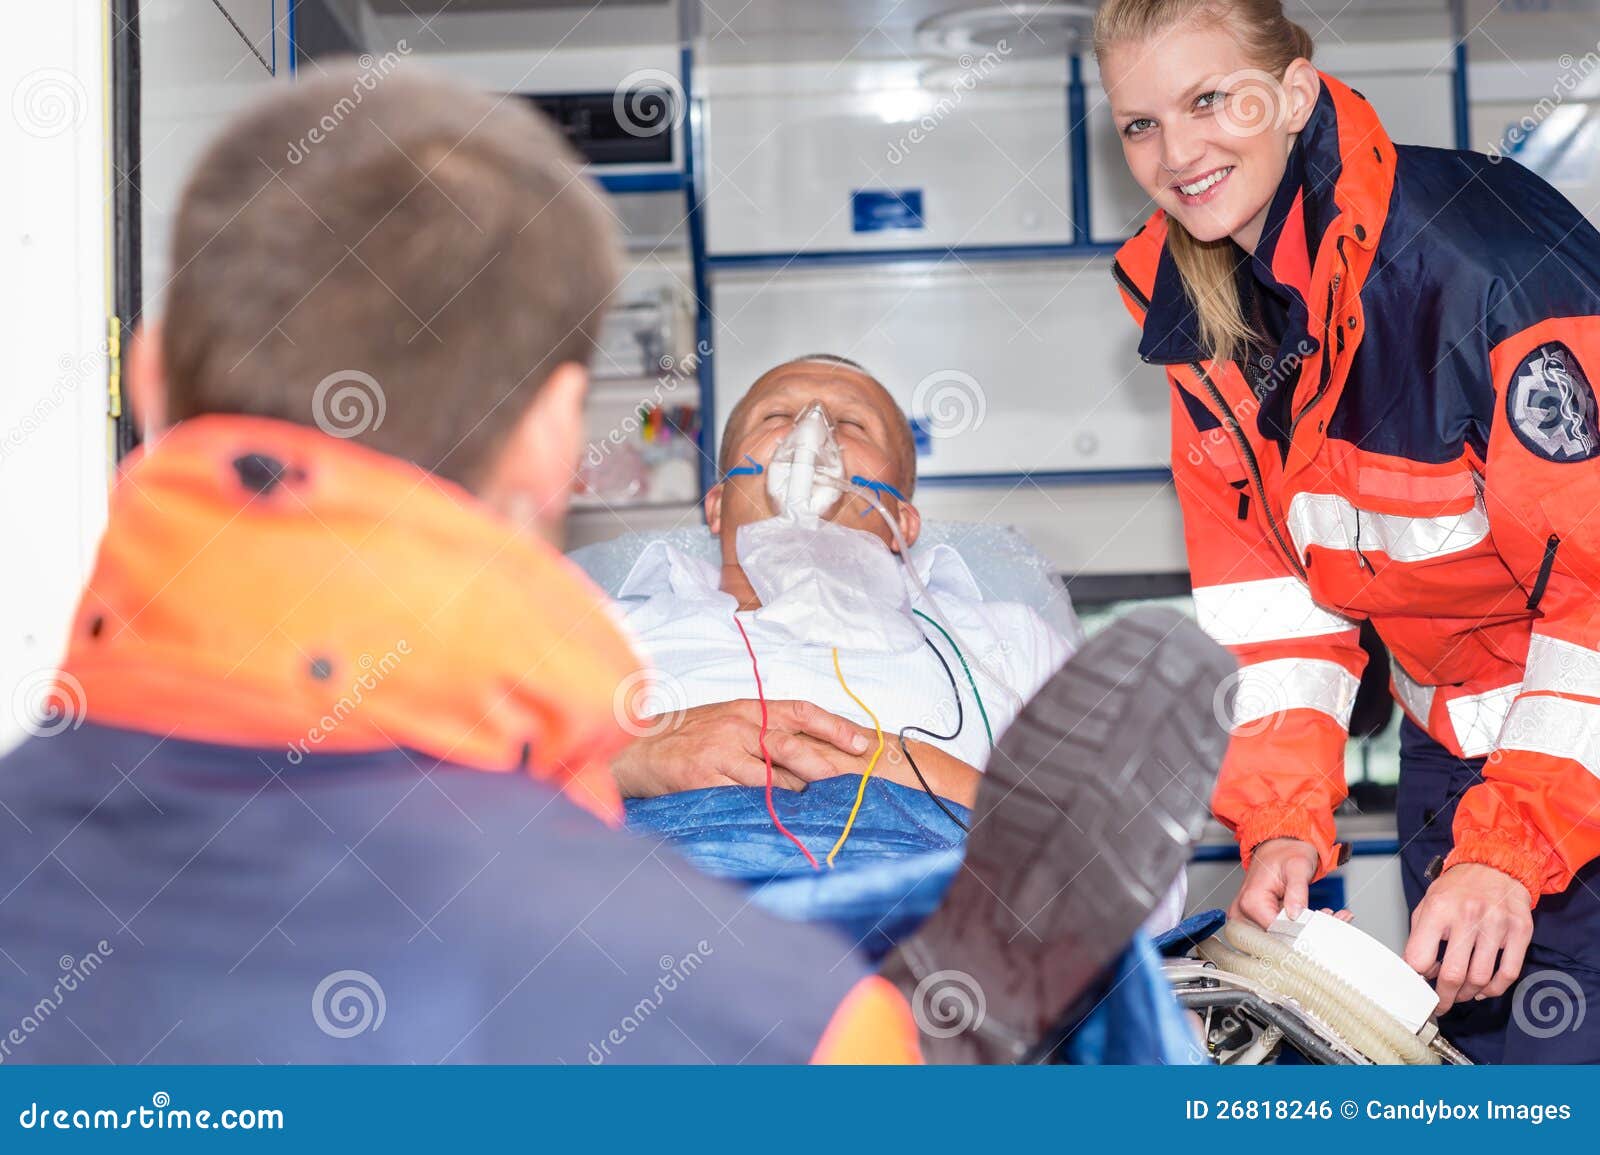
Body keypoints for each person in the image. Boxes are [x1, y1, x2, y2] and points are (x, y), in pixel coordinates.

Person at [0, 65, 918, 1065]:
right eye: (777, 417)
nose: (811, 440)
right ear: (557, 443)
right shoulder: (794, 1026)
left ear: (146, 378)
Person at [1095, 0, 1600, 1062]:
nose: (1175, 153)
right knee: (1455, 1088)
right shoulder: (1203, 326)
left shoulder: (1479, 264)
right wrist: (1281, 819)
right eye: (1140, 123)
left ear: (1293, 93)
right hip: (1447, 755)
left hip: (1573, 757)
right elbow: (1273, 614)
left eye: (1208, 100)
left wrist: (1510, 846)